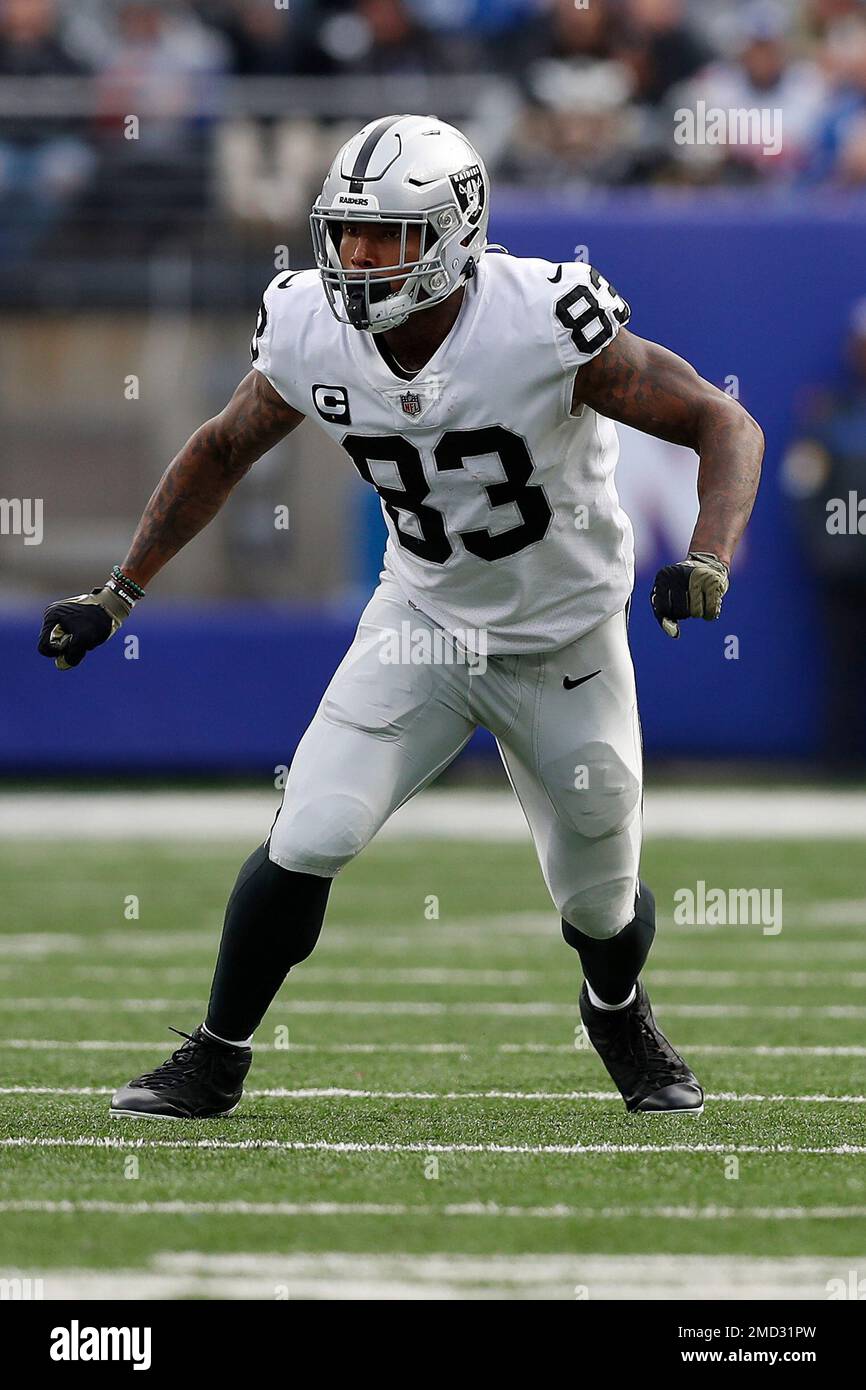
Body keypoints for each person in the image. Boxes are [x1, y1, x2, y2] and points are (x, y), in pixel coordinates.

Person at [38, 114, 763, 1120]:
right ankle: (215, 1055)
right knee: (311, 828)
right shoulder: (306, 322)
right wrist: (119, 590)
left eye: (388, 235)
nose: (359, 256)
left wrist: (706, 554)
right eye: (346, 231)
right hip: (419, 620)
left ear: (456, 233)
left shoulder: (541, 318)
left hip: (563, 636)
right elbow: (219, 449)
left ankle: (615, 1009)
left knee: (600, 896)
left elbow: (722, 421)